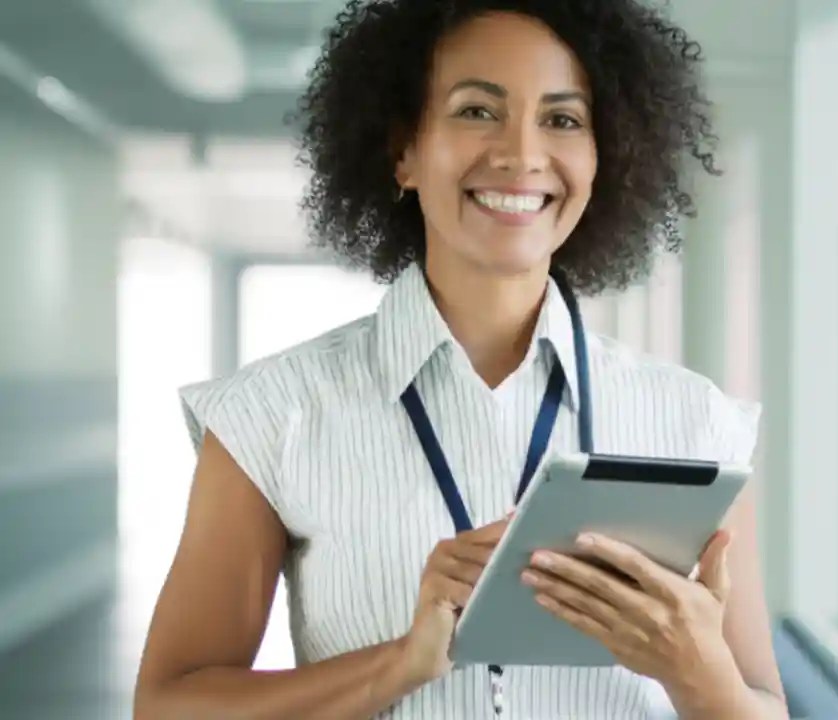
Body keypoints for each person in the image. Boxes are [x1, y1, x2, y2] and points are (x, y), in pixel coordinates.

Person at [132, 1, 786, 718]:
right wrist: (397, 665)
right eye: (478, 111)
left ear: (606, 158)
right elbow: (168, 706)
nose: (521, 154)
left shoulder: (697, 425)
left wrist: (697, 671)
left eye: (563, 119)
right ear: (403, 150)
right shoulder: (270, 417)